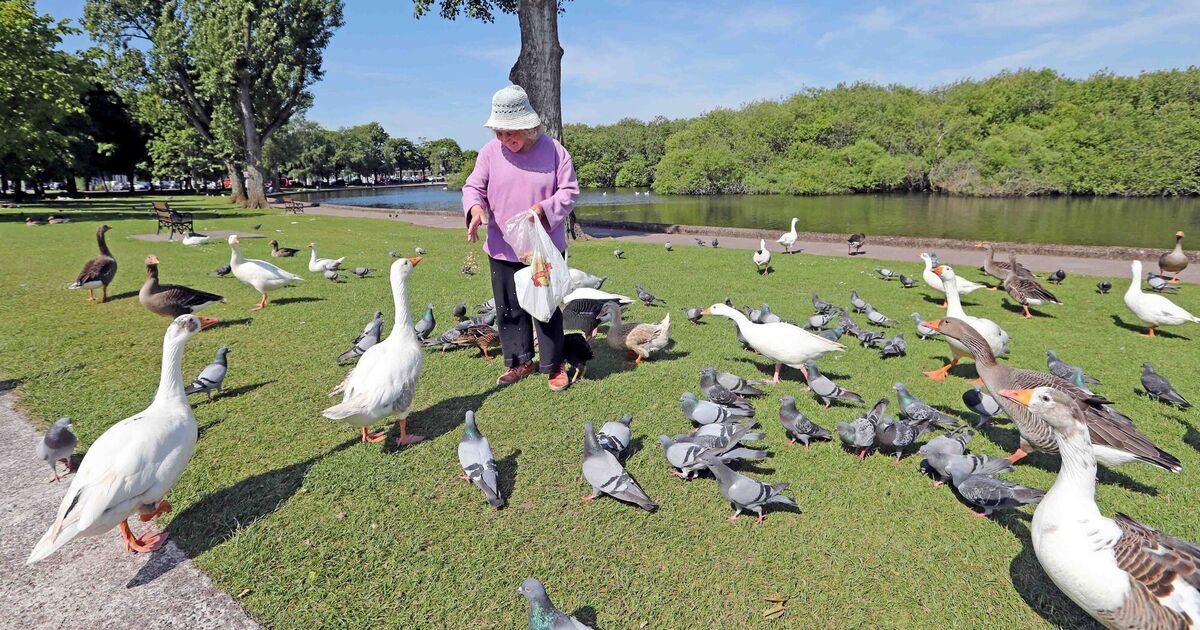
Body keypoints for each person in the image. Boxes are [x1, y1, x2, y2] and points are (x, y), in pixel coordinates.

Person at [462, 85, 580, 391]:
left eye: (510, 133)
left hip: (542, 249)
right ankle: (520, 361)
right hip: (502, 246)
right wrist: (475, 209)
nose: (504, 140)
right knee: (509, 309)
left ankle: (554, 365)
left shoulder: (555, 151)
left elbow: (569, 193)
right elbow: (473, 186)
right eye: (499, 133)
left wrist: (544, 209)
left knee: (546, 306)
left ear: (528, 126)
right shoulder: (490, 153)